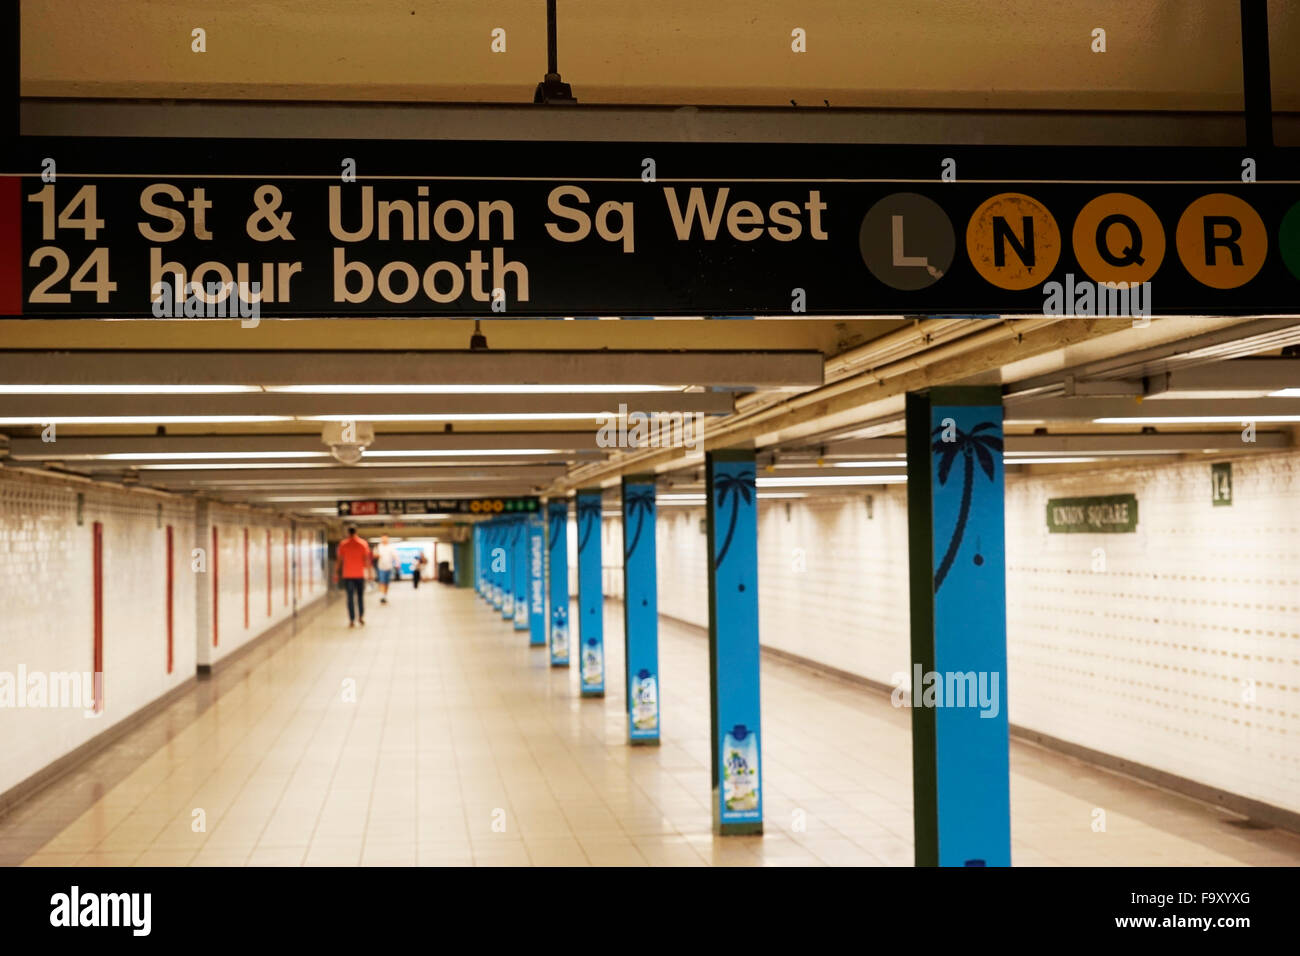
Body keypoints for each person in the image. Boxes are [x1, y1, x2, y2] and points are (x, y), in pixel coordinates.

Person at [333, 527, 372, 628]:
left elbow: (339, 560)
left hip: (348, 575)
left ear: (348, 533)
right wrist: (369, 573)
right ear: (356, 532)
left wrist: (336, 573)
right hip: (359, 575)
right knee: (360, 597)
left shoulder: (343, 544)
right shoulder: (363, 543)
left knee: (350, 598)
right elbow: (367, 559)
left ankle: (351, 619)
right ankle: (361, 616)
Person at [375, 534, 398, 605]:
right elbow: (374, 555)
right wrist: (377, 555)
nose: (384, 539)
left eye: (385, 538)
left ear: (388, 539)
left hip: (389, 567)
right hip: (381, 567)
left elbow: (395, 556)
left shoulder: (391, 547)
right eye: (383, 538)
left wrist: (397, 563)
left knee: (387, 583)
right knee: (382, 582)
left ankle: (385, 595)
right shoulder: (378, 547)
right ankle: (382, 596)